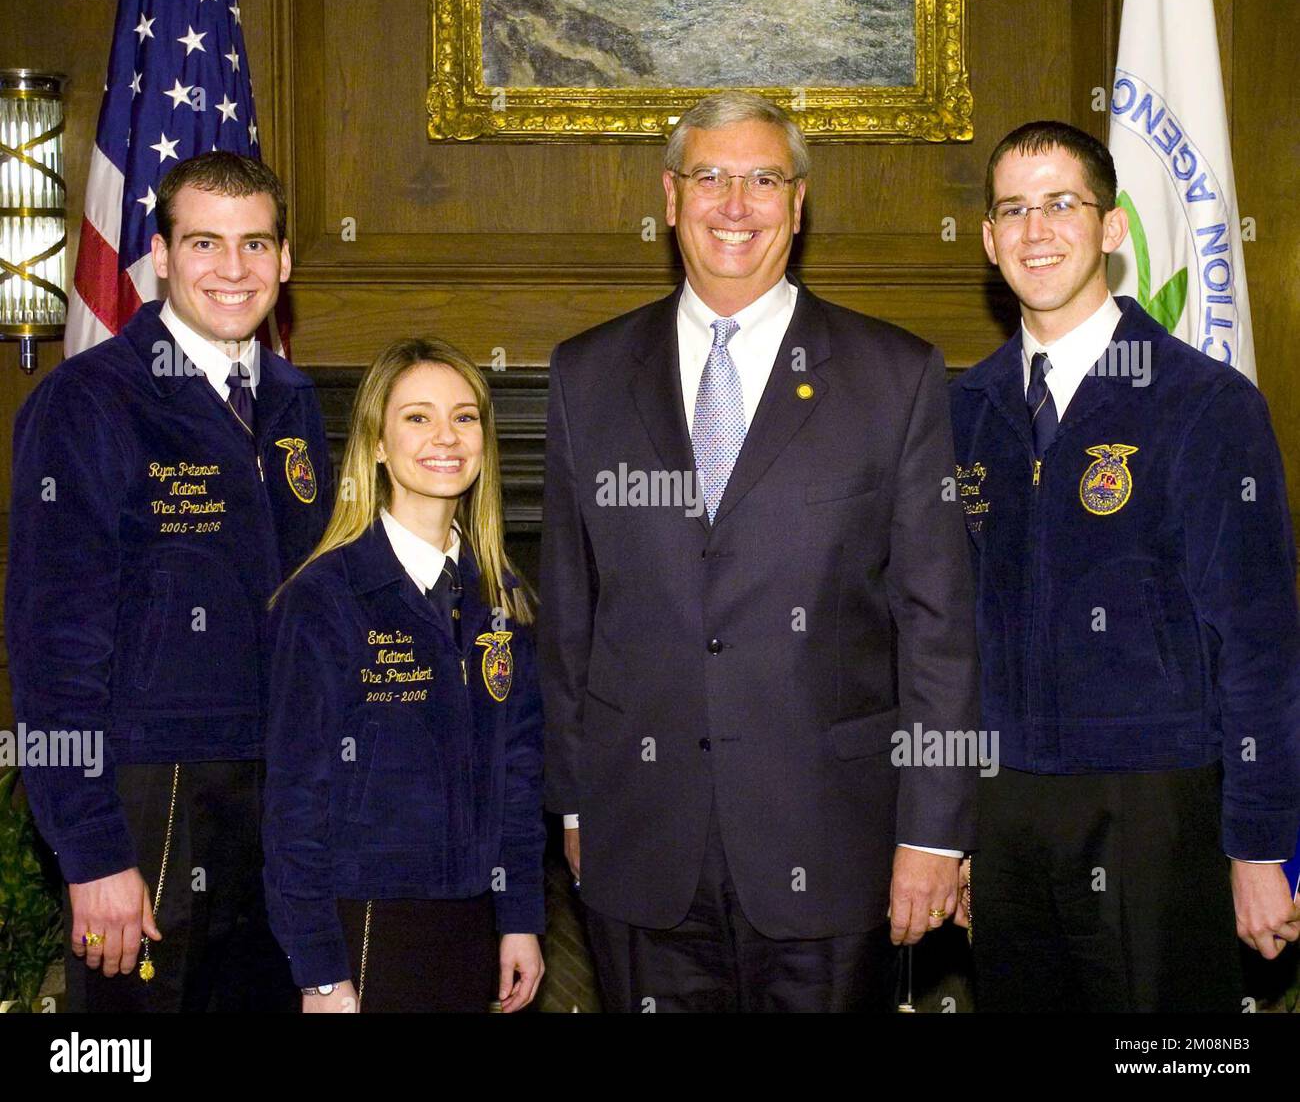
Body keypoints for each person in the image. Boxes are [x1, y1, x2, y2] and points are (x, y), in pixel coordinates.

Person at [540, 91, 980, 1012]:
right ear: (670, 195)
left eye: (763, 179)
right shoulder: (587, 375)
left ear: (799, 200)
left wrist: (934, 831)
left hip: (831, 845)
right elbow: (569, 615)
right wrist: (577, 803)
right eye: (710, 176)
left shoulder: (893, 376)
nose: (734, 203)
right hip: (641, 842)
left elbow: (936, 624)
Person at [950, 120, 1300, 1011]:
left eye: (1062, 204)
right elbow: (937, 636)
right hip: (1004, 811)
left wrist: (1260, 846)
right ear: (988, 240)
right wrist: (943, 830)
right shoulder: (960, 412)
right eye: (1014, 210)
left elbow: (1259, 645)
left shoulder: (1204, 403)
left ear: (1111, 228)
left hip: (1157, 813)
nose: (1037, 230)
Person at [6, 151, 332, 1011]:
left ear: (286, 259)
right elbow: (52, 649)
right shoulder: (91, 401)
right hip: (151, 799)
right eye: (205, 243)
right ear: (159, 255)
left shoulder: (294, 402)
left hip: (278, 807)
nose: (234, 270)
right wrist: (91, 849)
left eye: (256, 243)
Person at [261, 338, 545, 1013]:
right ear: (378, 444)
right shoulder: (325, 596)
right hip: (365, 925)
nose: (445, 436)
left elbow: (519, 770)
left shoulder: (500, 596)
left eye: (465, 416)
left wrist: (521, 917)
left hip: (472, 925)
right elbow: (293, 801)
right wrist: (321, 972)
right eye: (417, 417)